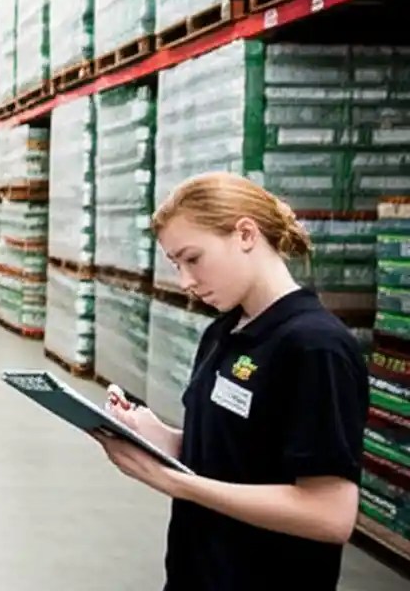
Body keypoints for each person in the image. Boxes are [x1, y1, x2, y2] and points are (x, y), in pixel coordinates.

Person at [95, 172, 369, 591]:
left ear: (245, 234)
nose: (185, 281)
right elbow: (234, 455)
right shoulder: (225, 333)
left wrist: (176, 483)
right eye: (176, 264)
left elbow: (329, 515)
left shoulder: (316, 349)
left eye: (193, 258)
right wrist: (155, 435)